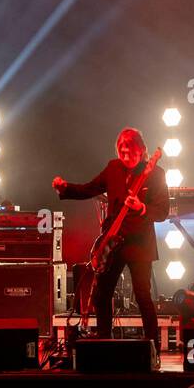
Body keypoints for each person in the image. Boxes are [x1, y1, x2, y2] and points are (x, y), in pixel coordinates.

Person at [53, 127, 169, 347]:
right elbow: (90, 189)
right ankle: (105, 342)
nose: (126, 158)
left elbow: (162, 211)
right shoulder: (113, 168)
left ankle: (151, 346)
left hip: (140, 243)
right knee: (102, 293)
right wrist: (65, 188)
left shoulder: (156, 173)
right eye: (122, 152)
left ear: (143, 151)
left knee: (142, 294)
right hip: (113, 241)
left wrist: (142, 207)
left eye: (131, 153)